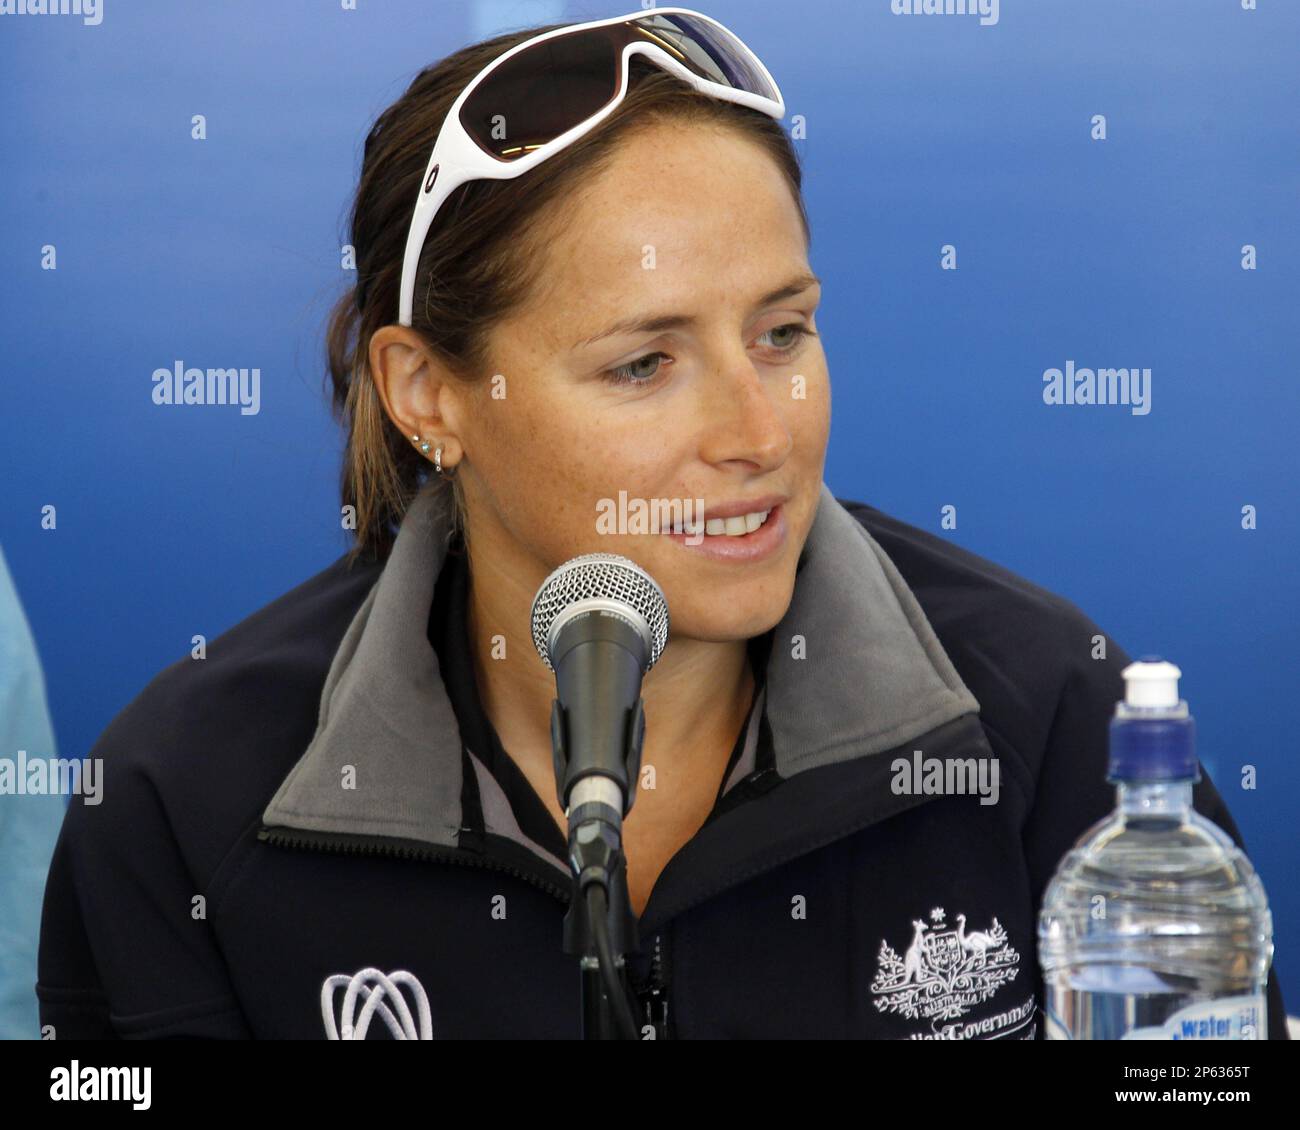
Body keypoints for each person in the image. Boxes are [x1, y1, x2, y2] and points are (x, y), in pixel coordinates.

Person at [37, 8, 1288, 1039]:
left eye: (781, 332)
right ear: (427, 393)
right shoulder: (182, 802)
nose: (759, 431)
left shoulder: (1050, 723)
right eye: (643, 362)